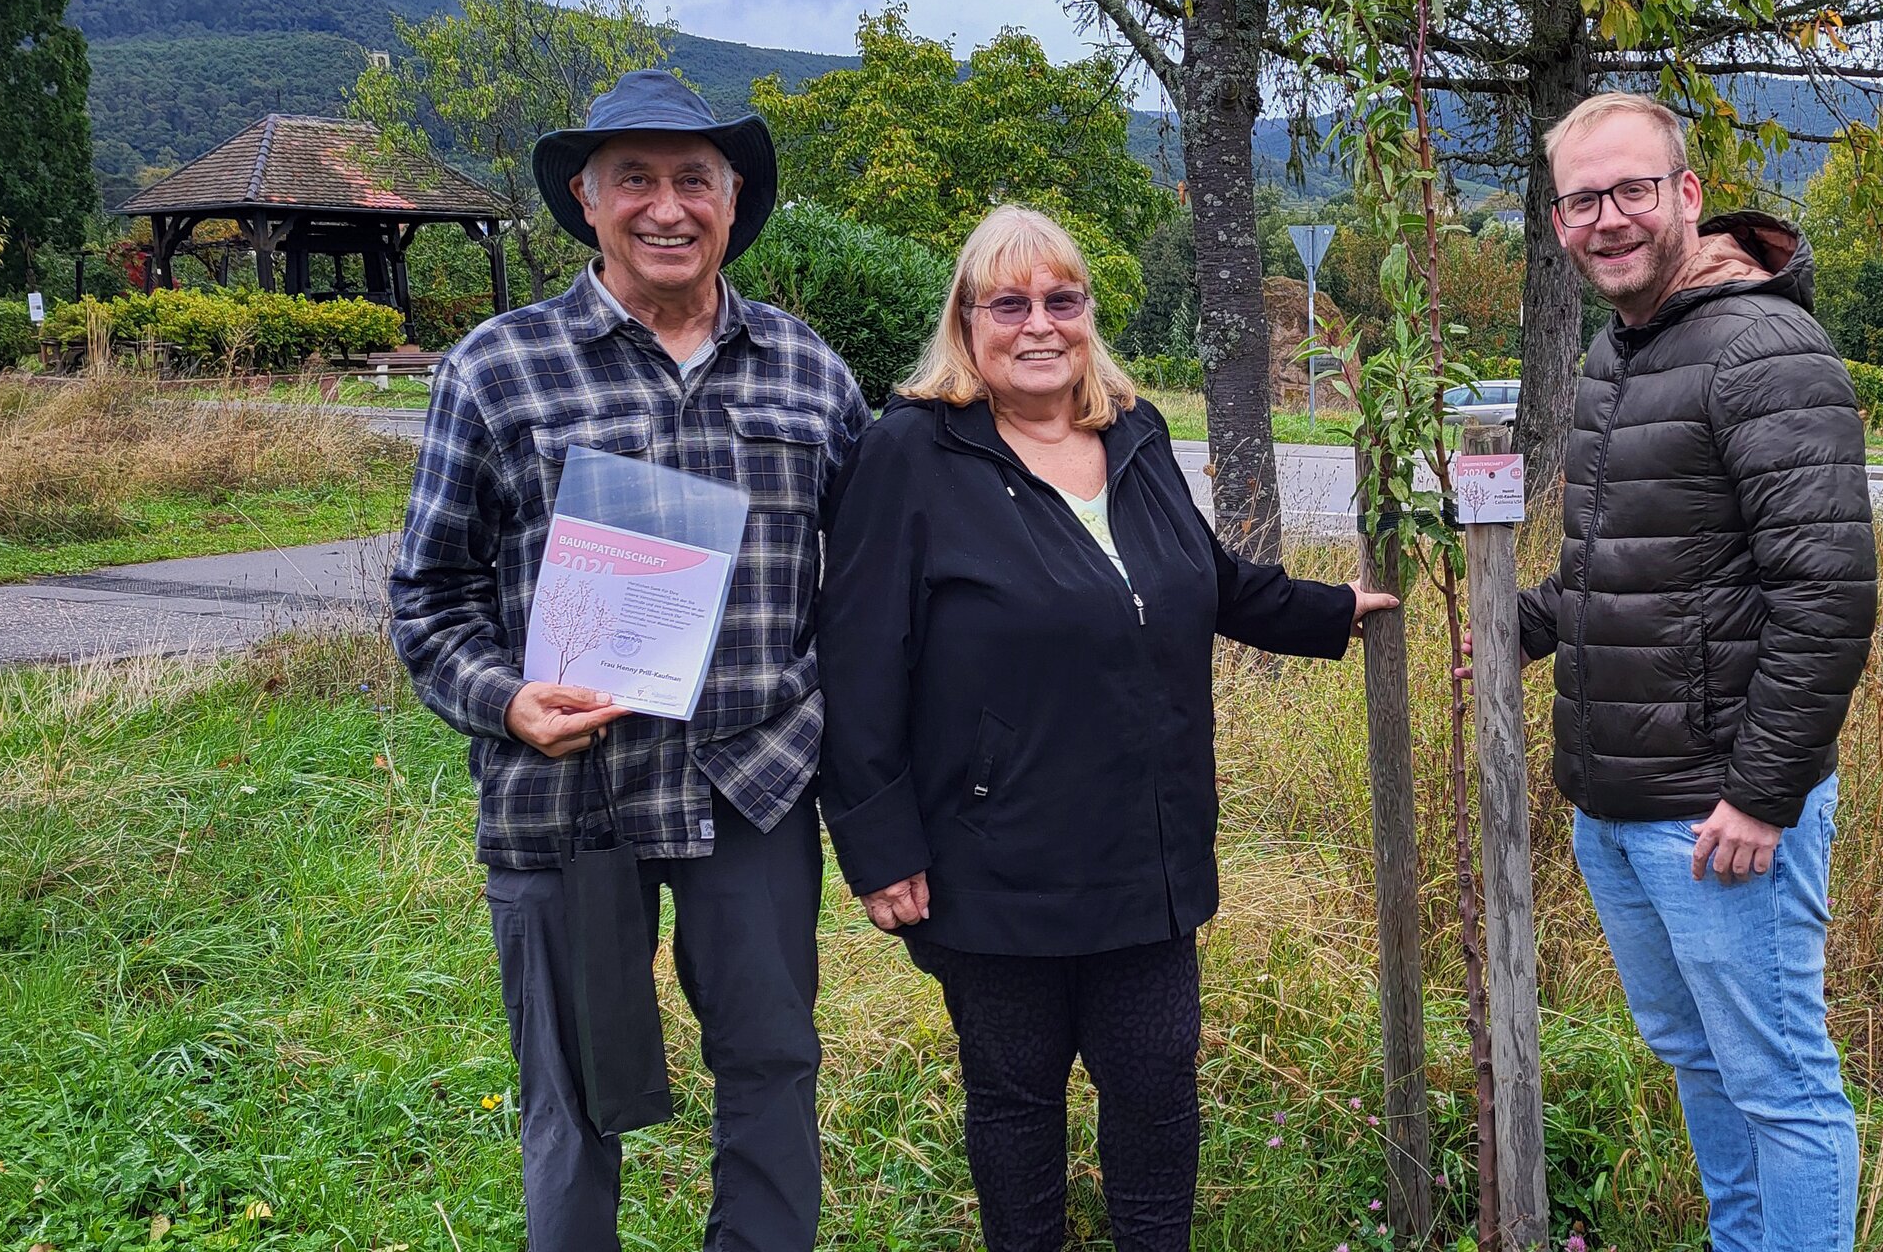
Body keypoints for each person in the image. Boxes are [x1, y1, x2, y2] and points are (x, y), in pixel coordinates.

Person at [816, 205, 1397, 1250]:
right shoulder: (909, 452)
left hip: (1147, 853)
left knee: (1156, 1097)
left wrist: (1329, 610)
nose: (1037, 324)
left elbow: (1200, 579)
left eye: (1060, 300)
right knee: (1015, 1104)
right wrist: (877, 843)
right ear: (966, 319)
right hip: (993, 860)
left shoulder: (1127, 432)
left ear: (1086, 315)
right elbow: (857, 659)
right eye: (1009, 303)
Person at [388, 69, 868, 1252]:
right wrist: (505, 702)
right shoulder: (497, 368)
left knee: (770, 1066)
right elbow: (429, 592)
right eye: (635, 179)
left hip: (751, 784)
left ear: (732, 198)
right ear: (587, 201)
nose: (667, 205)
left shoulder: (810, 376)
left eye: (692, 179)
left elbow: (865, 591)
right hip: (564, 791)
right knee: (571, 1097)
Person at [1488, 92, 1877, 1251]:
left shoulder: (1761, 348)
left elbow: (1824, 593)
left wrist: (1762, 794)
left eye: (1630, 191)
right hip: (1617, 803)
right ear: (1557, 217)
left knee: (1778, 1086)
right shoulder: (1621, 352)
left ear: (1685, 196)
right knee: (1700, 1062)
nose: (1606, 218)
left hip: (1716, 811)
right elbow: (1629, 567)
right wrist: (1514, 626)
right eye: (1580, 199)